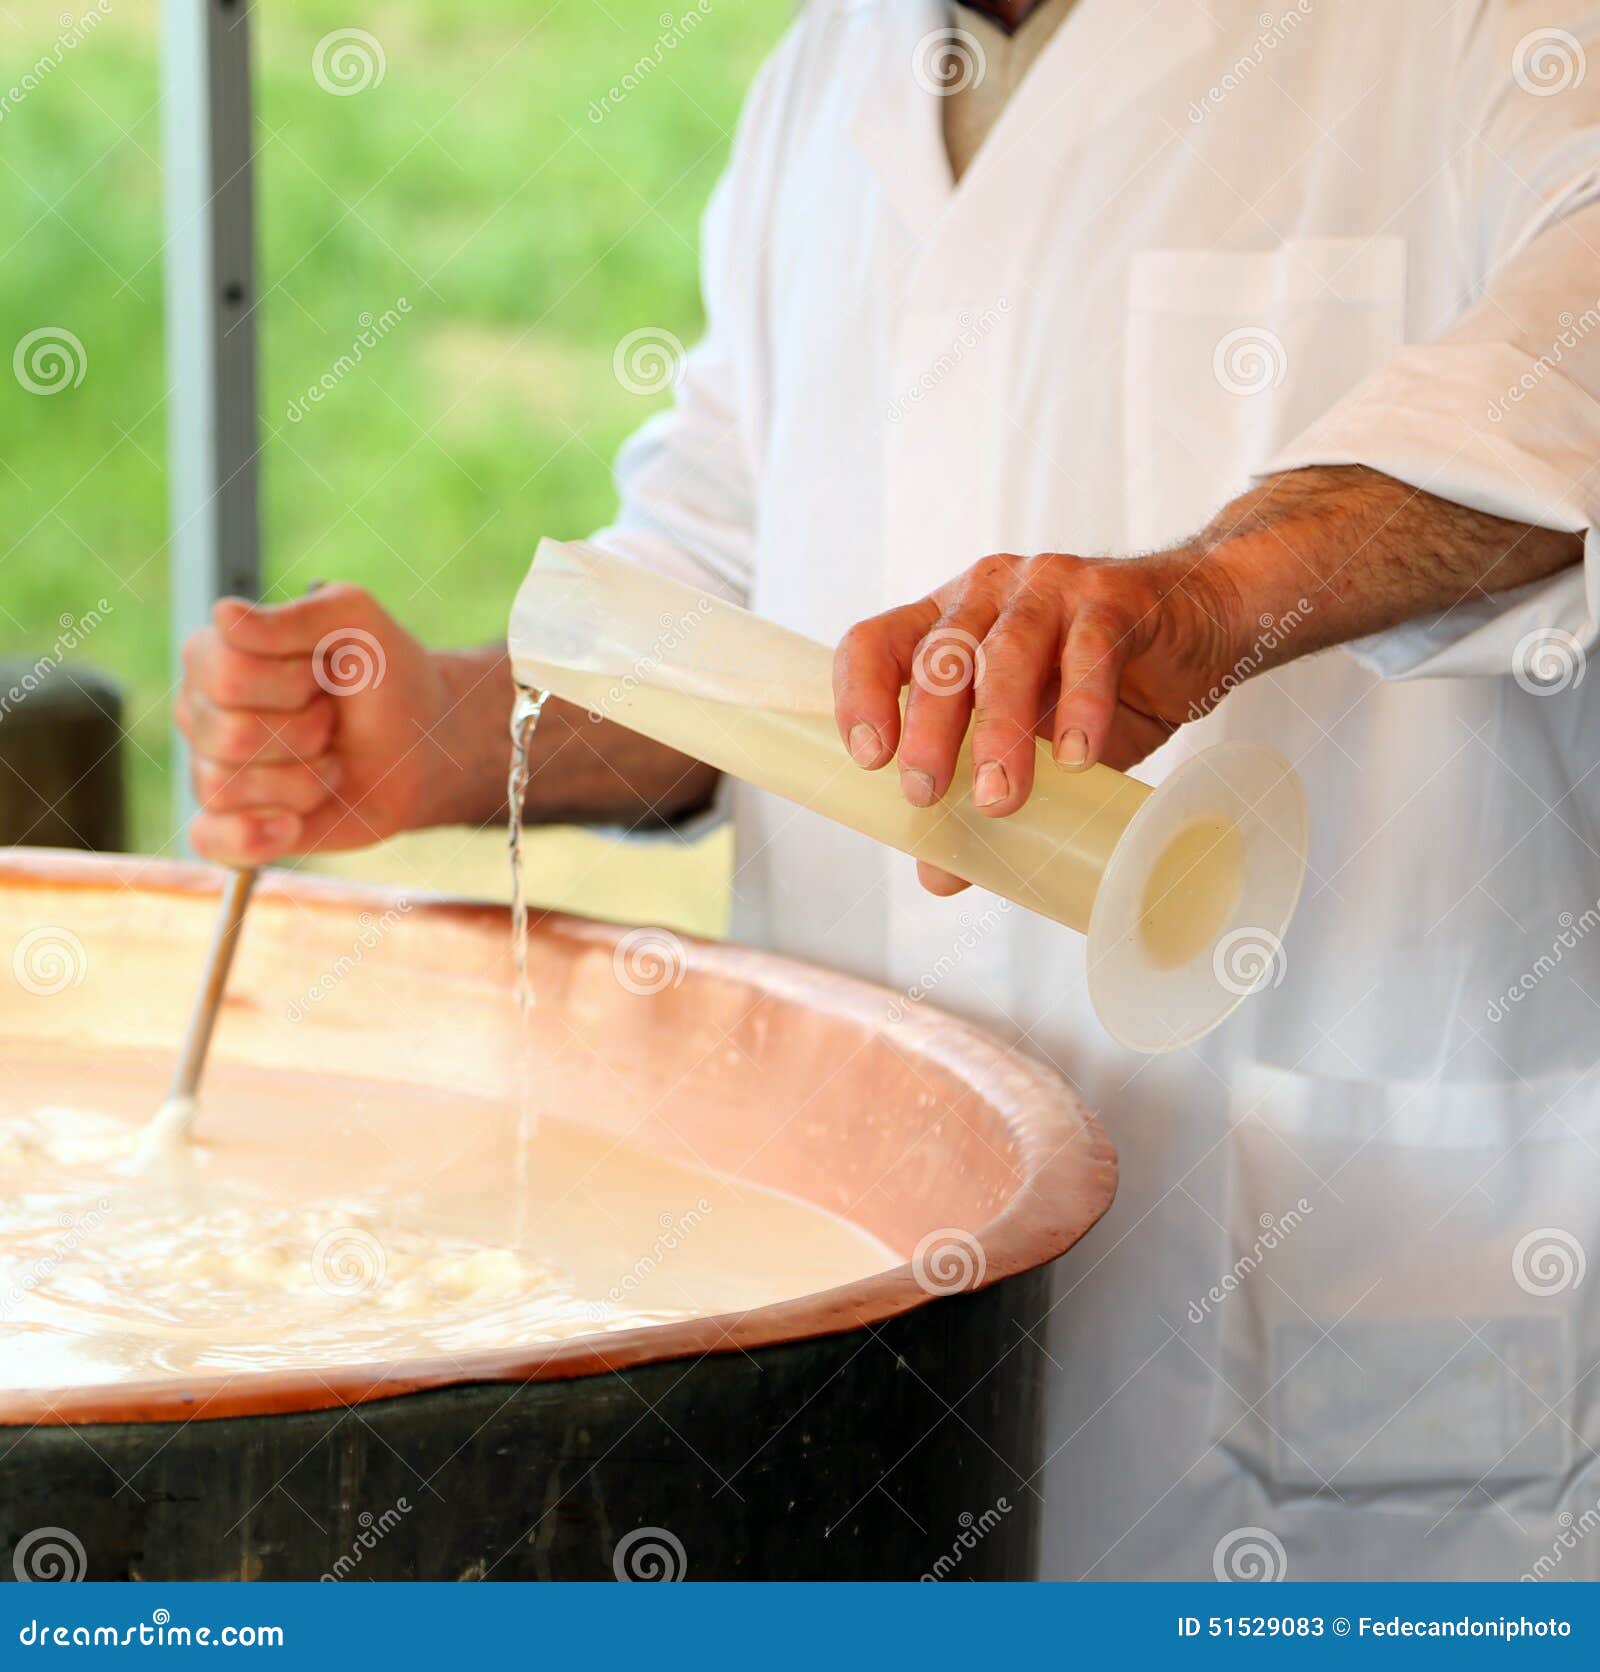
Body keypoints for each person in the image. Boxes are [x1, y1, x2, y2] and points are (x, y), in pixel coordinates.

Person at [177, 0, 1600, 1580]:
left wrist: (1220, 591)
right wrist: (451, 729)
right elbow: (734, 589)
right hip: (878, 1313)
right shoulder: (831, 73)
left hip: (1350, 1334)